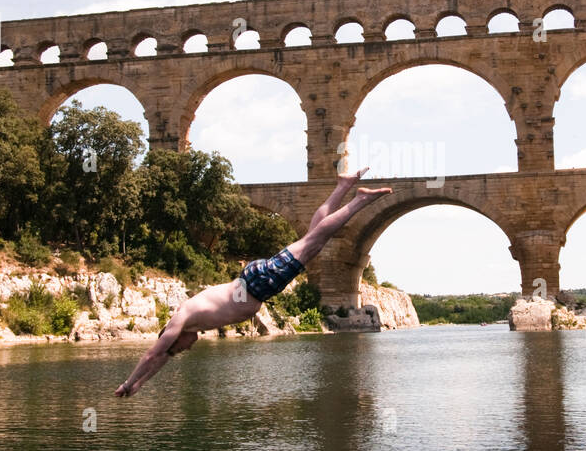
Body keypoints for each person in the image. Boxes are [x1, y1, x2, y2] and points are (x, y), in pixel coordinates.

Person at [114, 167, 391, 397]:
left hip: (257, 285)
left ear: (172, 339)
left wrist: (128, 382)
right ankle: (342, 187)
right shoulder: (187, 322)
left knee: (313, 242)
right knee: (311, 239)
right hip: (254, 281)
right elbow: (161, 359)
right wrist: (139, 385)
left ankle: (358, 200)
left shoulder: (180, 321)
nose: (188, 347)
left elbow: (153, 355)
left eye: (181, 348)